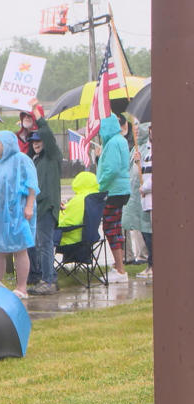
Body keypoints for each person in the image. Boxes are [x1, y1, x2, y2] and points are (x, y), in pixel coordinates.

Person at [0, 131, 39, 299]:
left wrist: (29, 206)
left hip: (16, 212)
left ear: (8, 144)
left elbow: (32, 185)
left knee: (19, 249)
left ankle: (21, 288)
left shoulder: (22, 160)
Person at [25, 100, 62, 296]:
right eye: (33, 141)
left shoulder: (52, 155)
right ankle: (47, 277)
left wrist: (37, 113)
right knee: (39, 245)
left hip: (47, 207)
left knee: (45, 244)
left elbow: (47, 133)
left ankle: (48, 281)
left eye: (39, 141)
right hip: (37, 208)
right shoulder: (35, 160)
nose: (36, 143)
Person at [96, 114, 131, 283]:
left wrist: (100, 186)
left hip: (113, 192)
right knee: (116, 228)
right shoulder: (121, 140)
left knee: (111, 229)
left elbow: (111, 170)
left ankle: (120, 269)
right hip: (123, 190)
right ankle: (119, 266)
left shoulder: (111, 144)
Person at [121, 120, 149, 265]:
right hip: (133, 192)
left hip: (144, 193)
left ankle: (144, 256)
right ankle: (140, 256)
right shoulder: (135, 149)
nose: (136, 129)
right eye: (135, 126)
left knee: (144, 226)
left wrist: (140, 163)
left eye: (139, 126)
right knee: (135, 225)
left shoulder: (147, 148)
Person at [57, 171, 100, 247]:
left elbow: (68, 222)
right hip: (91, 237)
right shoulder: (95, 198)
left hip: (72, 240)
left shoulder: (79, 200)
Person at [137, 124, 153, 278]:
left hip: (152, 197)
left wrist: (145, 188)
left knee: (152, 234)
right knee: (147, 233)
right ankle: (151, 264)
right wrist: (138, 163)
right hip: (146, 199)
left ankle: (153, 264)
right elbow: (145, 171)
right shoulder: (147, 151)